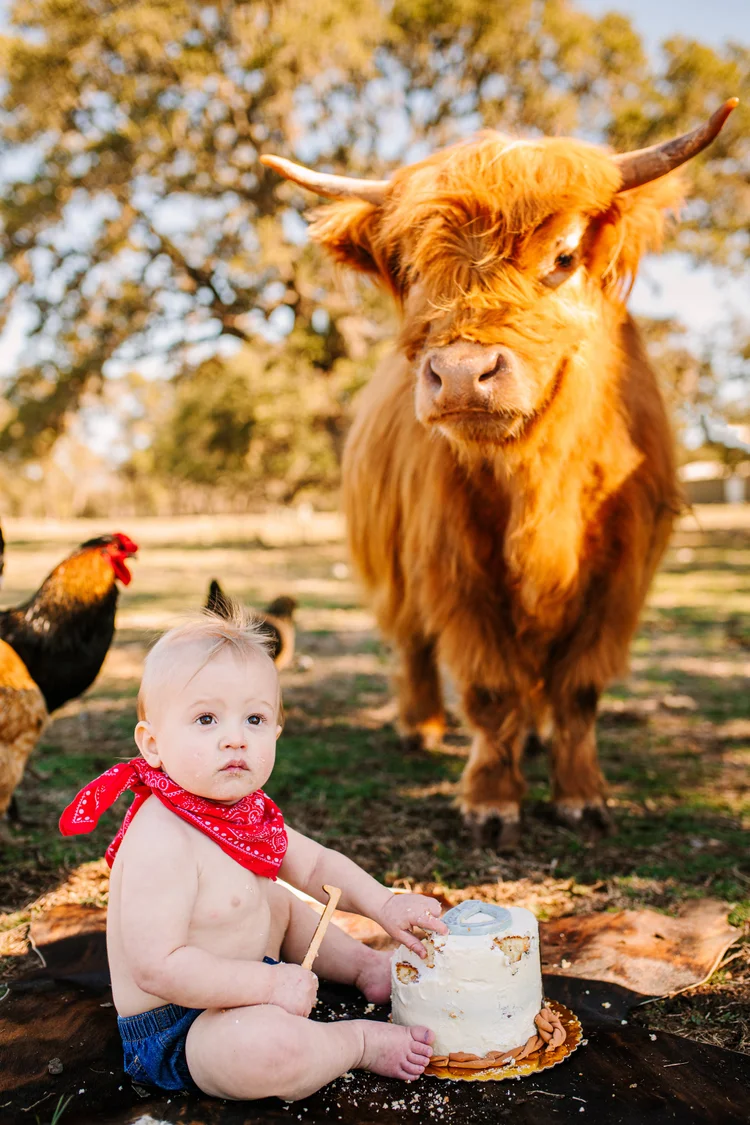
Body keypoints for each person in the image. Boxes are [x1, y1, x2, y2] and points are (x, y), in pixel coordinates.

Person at [60, 609, 447, 1102]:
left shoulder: (245, 812)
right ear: (152, 744)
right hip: (182, 1028)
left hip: (252, 976)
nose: (235, 737)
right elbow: (157, 968)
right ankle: (357, 1043)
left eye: (255, 719)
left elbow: (316, 866)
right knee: (263, 1050)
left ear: (276, 734)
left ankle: (363, 965)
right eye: (206, 719)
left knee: (279, 902)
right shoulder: (160, 838)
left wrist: (384, 903)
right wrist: (267, 986)